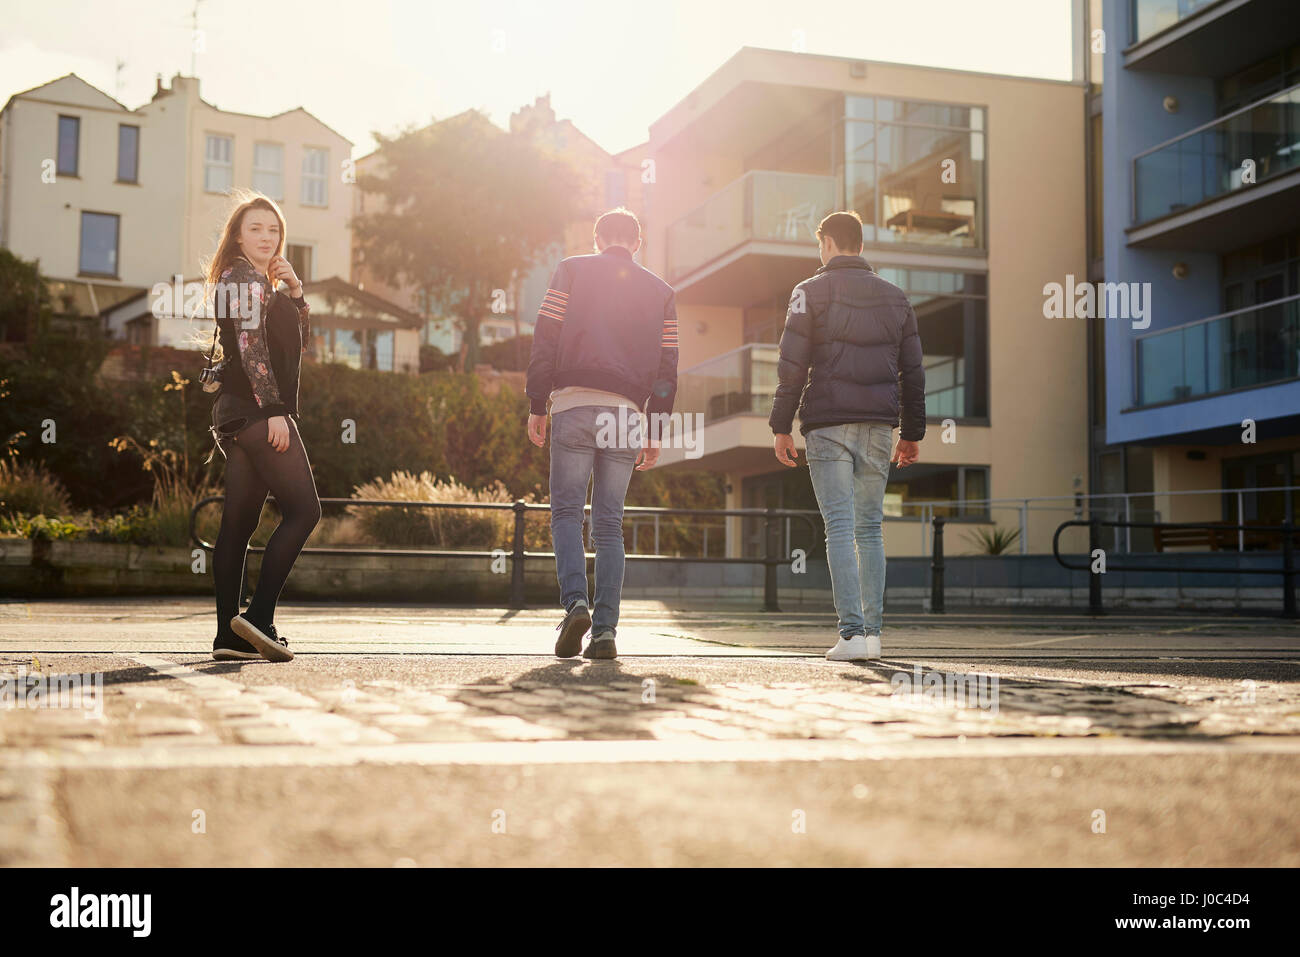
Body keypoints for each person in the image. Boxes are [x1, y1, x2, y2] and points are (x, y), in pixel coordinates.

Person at [769, 210, 925, 662]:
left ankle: (852, 635)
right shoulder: (897, 299)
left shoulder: (808, 292)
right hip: (879, 425)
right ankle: (872, 636)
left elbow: (791, 366)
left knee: (839, 528)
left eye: (821, 245)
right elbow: (913, 372)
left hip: (828, 423)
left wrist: (781, 425)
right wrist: (911, 432)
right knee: (870, 529)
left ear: (830, 243)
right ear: (861, 243)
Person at [525, 207, 678, 660]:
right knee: (610, 523)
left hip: (572, 404)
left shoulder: (570, 271)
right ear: (638, 242)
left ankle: (575, 604)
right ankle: (606, 632)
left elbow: (545, 336)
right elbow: (668, 367)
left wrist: (537, 403)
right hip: (627, 415)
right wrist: (656, 428)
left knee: (567, 513)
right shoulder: (661, 291)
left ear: (597, 239)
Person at [204, 191, 320, 663]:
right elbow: (253, 350)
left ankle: (228, 637)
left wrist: (295, 295)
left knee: (238, 524)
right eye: (256, 228)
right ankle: (258, 617)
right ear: (237, 234)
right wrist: (274, 409)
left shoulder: (255, 282)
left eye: (273, 230)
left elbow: (298, 347)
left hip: (235, 413)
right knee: (304, 511)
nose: (267, 237)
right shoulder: (241, 279)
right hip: (255, 411)